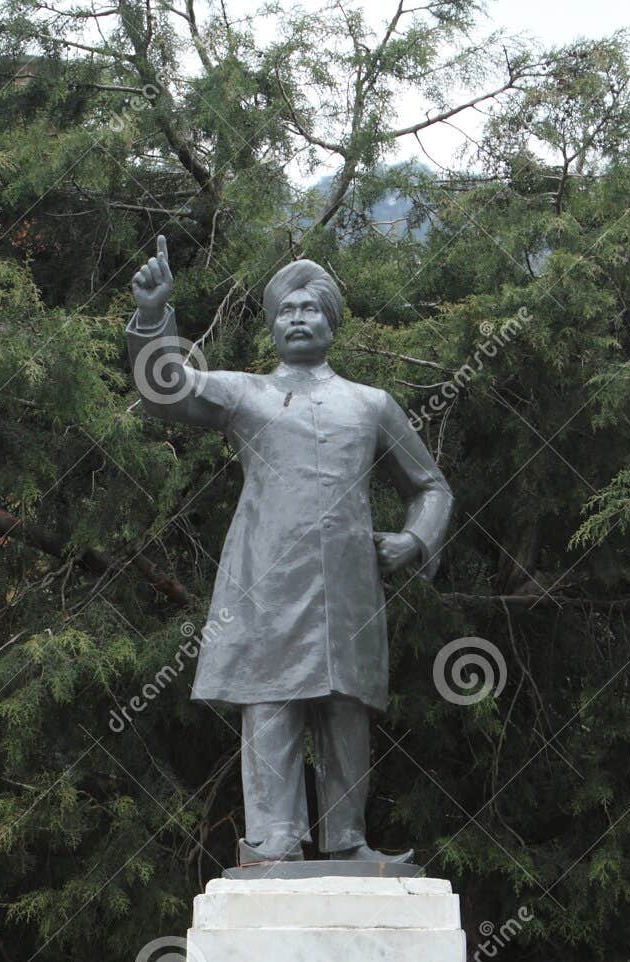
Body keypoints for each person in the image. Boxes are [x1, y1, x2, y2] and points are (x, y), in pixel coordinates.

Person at [128, 237, 453, 864]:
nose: (297, 318)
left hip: (351, 581)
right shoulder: (245, 393)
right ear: (273, 326)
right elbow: (164, 390)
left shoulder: (371, 405)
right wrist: (151, 319)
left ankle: (347, 839)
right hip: (267, 578)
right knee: (271, 696)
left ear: (331, 322)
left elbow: (430, 486)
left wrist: (414, 539)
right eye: (285, 310)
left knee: (347, 706)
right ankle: (274, 839)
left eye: (310, 308)